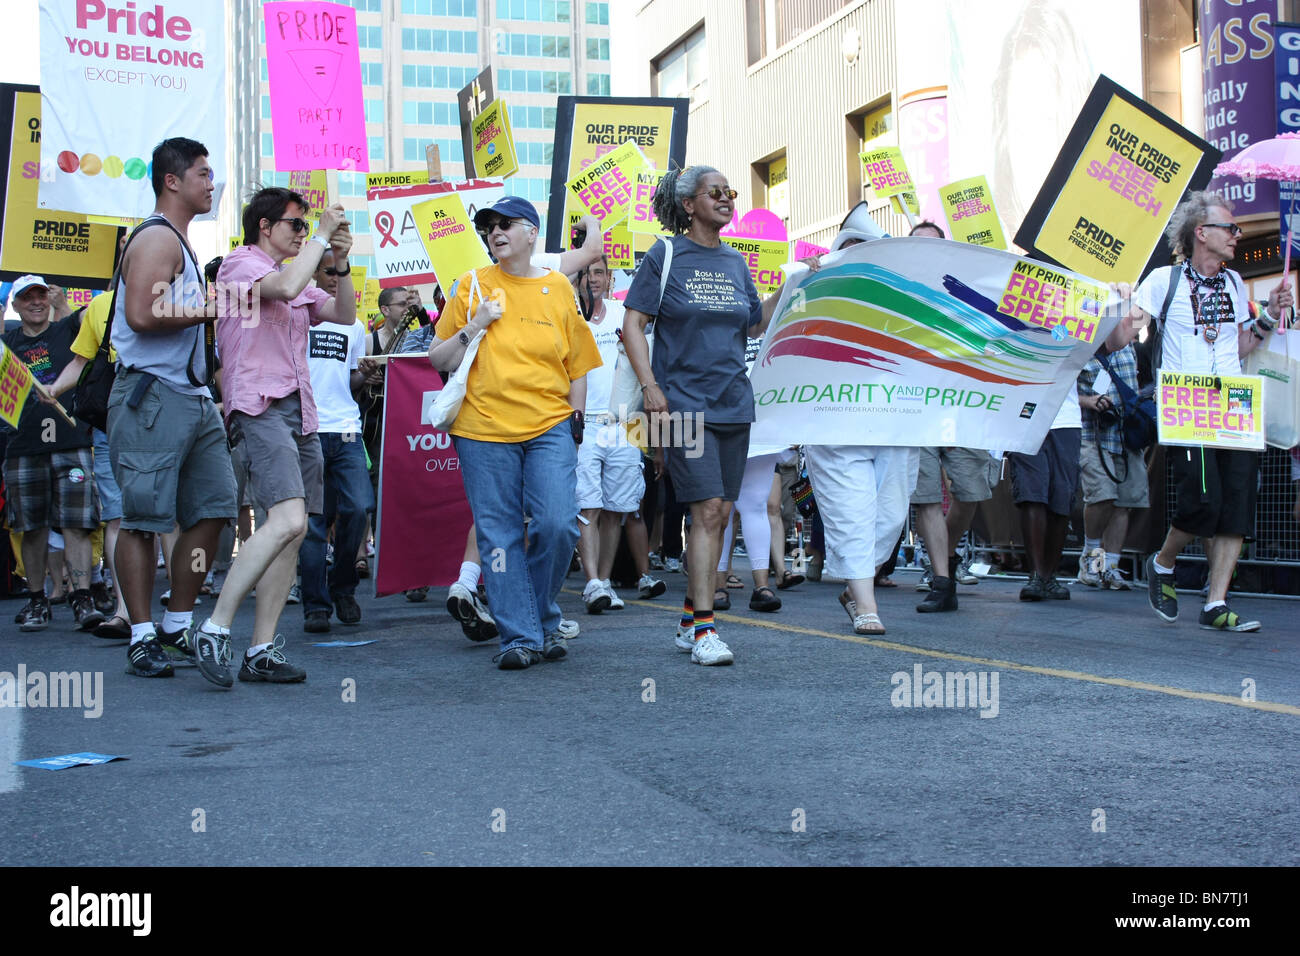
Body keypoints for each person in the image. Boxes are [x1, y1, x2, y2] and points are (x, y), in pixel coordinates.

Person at [621, 165, 785, 665]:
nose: (726, 198)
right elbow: (632, 324)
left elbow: (754, 322)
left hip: (734, 403)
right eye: (715, 192)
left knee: (723, 510)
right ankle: (705, 630)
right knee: (706, 509)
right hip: (682, 406)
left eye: (730, 192)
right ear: (689, 205)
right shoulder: (665, 254)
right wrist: (651, 389)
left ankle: (691, 617)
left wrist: (796, 285)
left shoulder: (737, 262)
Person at [192, 187, 356, 687]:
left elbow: (345, 315)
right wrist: (323, 236)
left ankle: (261, 649)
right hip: (260, 406)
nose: (302, 233)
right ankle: (214, 628)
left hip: (299, 410)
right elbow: (284, 288)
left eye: (306, 226)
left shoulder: (298, 272)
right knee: (285, 519)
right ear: (265, 226)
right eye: (295, 224)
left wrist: (341, 262)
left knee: (296, 527)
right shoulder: (240, 266)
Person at [428, 196, 600, 670]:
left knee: (557, 524)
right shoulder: (471, 286)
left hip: (549, 425)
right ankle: (520, 637)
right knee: (499, 537)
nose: (496, 233)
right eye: (489, 227)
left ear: (531, 234)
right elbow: (437, 360)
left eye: (507, 224)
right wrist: (476, 324)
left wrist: (577, 416)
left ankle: (541, 616)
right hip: (482, 429)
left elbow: (579, 364)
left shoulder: (558, 288)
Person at [1122, 191, 1291, 631]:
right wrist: (1119, 309)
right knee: (1201, 505)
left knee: (1236, 508)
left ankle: (1216, 603)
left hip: (1233, 404)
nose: (1238, 235)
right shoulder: (1164, 280)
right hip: (1187, 403)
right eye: (1229, 228)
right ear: (1202, 233)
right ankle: (1163, 562)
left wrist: (1270, 314)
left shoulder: (1235, 283)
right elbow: (1130, 327)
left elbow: (1239, 344)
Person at [107, 137, 235, 677]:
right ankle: (140, 635)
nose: (212, 183)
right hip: (151, 397)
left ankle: (177, 623)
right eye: (203, 174)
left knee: (214, 509)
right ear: (172, 181)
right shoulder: (158, 238)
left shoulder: (180, 243)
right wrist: (207, 310)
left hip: (192, 399)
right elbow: (141, 314)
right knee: (140, 520)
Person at [2, 275, 102, 632]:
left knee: (78, 523)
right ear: (15, 305)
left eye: (40, 295)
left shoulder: (66, 329)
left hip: (71, 443)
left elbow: (91, 321)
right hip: (22, 447)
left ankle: (82, 598)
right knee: (31, 527)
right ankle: (36, 599)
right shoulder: (6, 342)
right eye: (27, 298)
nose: (35, 302)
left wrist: (62, 305)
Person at [575, 255, 664, 612]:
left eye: (599, 273)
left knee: (617, 509)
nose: (593, 279)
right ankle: (592, 581)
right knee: (588, 507)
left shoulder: (624, 316)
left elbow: (644, 361)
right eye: (587, 274)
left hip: (625, 425)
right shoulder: (569, 316)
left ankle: (604, 582)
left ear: (610, 279)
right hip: (584, 423)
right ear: (577, 280)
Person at [299, 250, 373, 633]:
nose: (333, 277)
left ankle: (342, 586)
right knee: (313, 520)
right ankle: (315, 603)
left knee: (359, 508)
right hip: (307, 429)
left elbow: (350, 382)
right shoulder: (299, 314)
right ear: (312, 272)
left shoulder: (354, 324)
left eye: (340, 271)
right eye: (327, 271)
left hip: (346, 429)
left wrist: (365, 375)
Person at [1075, 343, 1148, 590]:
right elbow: (1059, 392)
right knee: (1102, 497)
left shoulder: (1128, 348)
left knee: (1123, 504)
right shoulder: (1080, 346)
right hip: (1093, 434)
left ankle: (1111, 569)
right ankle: (1091, 559)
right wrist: (1088, 401)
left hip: (1127, 435)